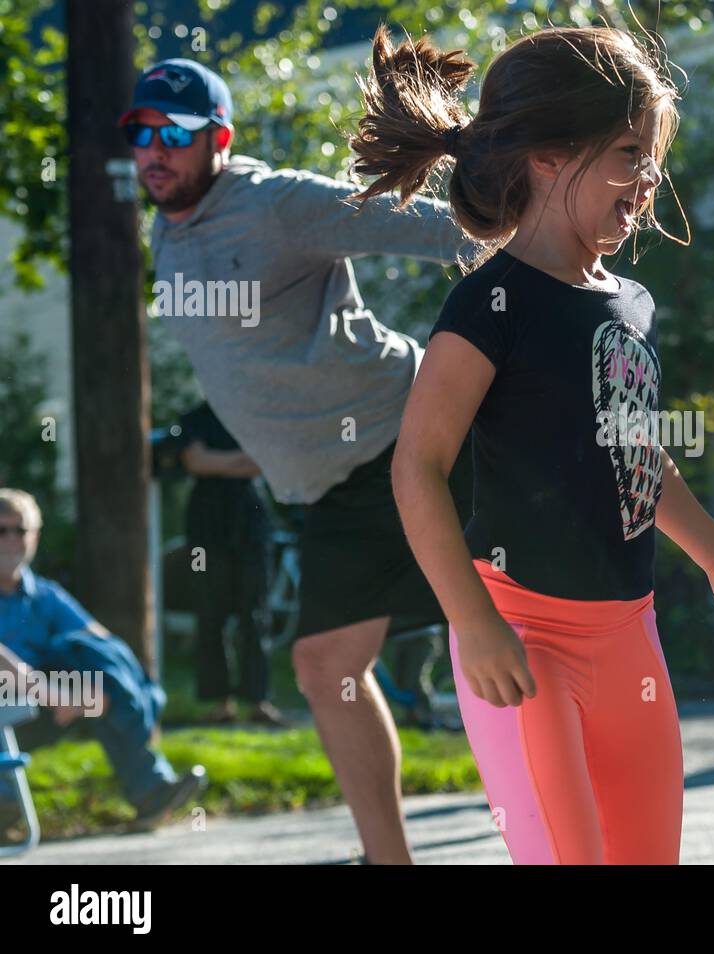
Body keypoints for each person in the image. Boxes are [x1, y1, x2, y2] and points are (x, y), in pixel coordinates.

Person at [349, 25, 714, 864]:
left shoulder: (631, 303)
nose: (650, 177)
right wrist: (473, 623)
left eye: (652, 155)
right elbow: (418, 468)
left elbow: (635, 455)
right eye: (629, 151)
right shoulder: (488, 304)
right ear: (549, 156)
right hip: (524, 636)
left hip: (632, 641)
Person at [121, 57, 472, 863]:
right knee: (327, 667)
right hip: (332, 486)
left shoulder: (277, 204)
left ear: (221, 139)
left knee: (506, 629)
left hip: (408, 442)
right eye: (141, 133)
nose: (155, 150)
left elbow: (447, 234)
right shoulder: (167, 231)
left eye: (175, 134)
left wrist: (537, 297)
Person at [0, 489, 206, 841]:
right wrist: (50, 691)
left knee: (107, 675)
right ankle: (6, 803)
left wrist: (104, 687)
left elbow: (99, 638)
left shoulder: (44, 594)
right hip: (16, 698)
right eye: (0, 531)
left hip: (38, 708)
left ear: (34, 537)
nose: (11, 540)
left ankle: (150, 789)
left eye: (21, 530)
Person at [177, 400, 284, 726]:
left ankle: (258, 700)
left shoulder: (256, 412)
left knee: (256, 614)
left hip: (251, 525)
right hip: (207, 527)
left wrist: (219, 461)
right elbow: (195, 461)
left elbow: (262, 462)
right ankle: (220, 702)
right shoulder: (194, 417)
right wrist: (239, 460)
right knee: (210, 614)